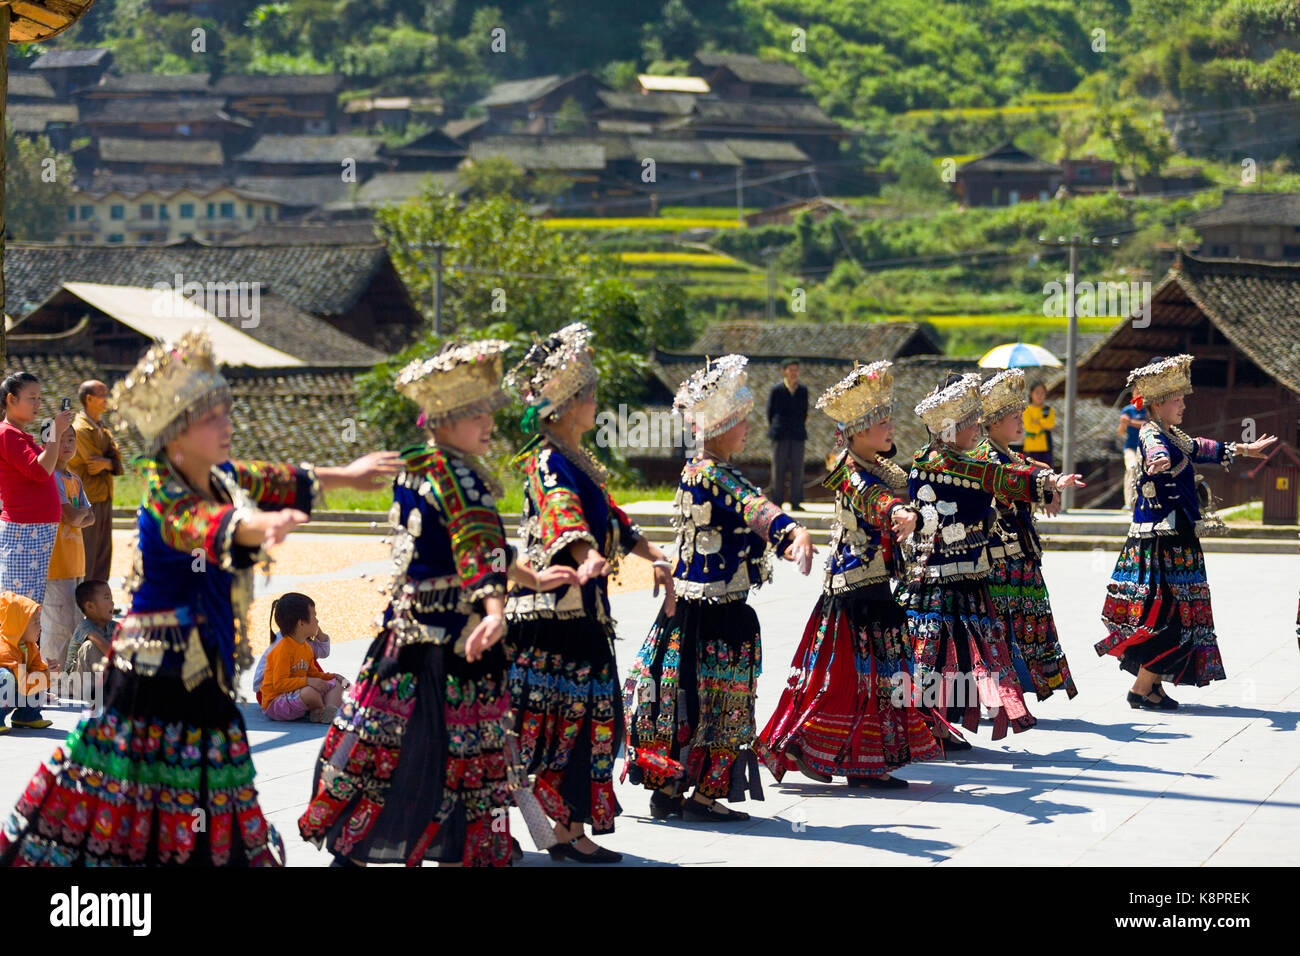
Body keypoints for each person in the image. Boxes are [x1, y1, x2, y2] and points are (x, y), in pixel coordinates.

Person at [0, 330, 398, 866]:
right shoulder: (167, 493)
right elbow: (212, 525)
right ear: (177, 435)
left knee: (207, 789)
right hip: (154, 675)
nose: (228, 426)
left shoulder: (223, 477)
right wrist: (257, 527)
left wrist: (345, 474)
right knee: (124, 787)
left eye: (226, 413)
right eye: (214, 418)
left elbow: (281, 478)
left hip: (202, 668)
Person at [300, 340, 579, 868]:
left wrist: (529, 577)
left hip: (410, 640)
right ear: (445, 418)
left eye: (487, 409)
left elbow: (477, 545)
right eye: (475, 412)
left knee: (387, 754)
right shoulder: (458, 477)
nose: (488, 420)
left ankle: (355, 855)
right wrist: (498, 609)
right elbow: (477, 551)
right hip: (450, 648)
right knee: (455, 766)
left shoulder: (419, 467)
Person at [504, 323, 676, 863]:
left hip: (581, 618)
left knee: (586, 723)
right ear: (567, 405)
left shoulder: (579, 461)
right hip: (551, 618)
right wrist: (585, 555)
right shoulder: (549, 462)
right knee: (544, 727)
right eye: (590, 395)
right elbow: (563, 513)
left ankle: (568, 827)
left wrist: (654, 555)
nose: (597, 402)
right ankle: (538, 826)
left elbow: (612, 518)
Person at [626, 355, 815, 822]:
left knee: (679, 695)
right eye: (742, 421)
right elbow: (753, 505)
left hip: (685, 611)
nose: (748, 428)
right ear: (724, 425)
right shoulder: (716, 474)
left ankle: (668, 787)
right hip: (720, 616)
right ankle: (705, 796)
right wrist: (794, 534)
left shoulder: (693, 470)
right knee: (722, 702)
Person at [755, 361, 941, 789]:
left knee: (871, 675)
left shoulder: (877, 466)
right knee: (848, 678)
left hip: (872, 583)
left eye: (888, 419)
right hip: (854, 587)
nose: (890, 427)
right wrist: (899, 512)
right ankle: (820, 749)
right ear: (857, 431)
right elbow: (875, 501)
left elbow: (899, 493)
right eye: (880, 421)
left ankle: (857, 758)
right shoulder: (851, 472)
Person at [902, 374, 1083, 744]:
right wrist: (1046, 483)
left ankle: (940, 724)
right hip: (938, 577)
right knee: (934, 655)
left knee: (963, 658)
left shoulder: (963, 460)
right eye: (969, 423)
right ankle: (925, 724)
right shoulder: (935, 462)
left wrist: (1048, 482)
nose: (976, 428)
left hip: (969, 571)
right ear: (950, 429)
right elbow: (995, 476)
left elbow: (1002, 475)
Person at [1096, 355, 1275, 709]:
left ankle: (1152, 686)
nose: (1183, 404)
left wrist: (1243, 448)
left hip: (1178, 537)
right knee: (1168, 612)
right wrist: (1156, 462)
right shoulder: (1152, 434)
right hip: (1161, 542)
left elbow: (1202, 447)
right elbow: (1154, 451)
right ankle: (1141, 689)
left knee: (1183, 610)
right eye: (1177, 400)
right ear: (1159, 404)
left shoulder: (1173, 435)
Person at [974, 369, 1078, 702]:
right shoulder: (985, 457)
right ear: (992, 424)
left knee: (1023, 622)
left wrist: (1048, 485)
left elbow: (1027, 469)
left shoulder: (1012, 455)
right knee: (1001, 624)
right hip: (997, 560)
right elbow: (1011, 479)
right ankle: (1000, 689)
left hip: (1021, 556)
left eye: (1021, 417)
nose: (1021, 424)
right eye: (1014, 418)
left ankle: (1013, 686)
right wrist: (1047, 484)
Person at [0, 372, 73, 604]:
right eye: (32, 398)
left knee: (31, 604)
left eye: (39, 398)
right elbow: (41, 471)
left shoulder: (19, 435)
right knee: (21, 606)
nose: (38, 404)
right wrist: (56, 433)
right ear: (11, 400)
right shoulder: (8, 434)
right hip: (24, 528)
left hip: (34, 528)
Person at [40, 427, 94, 668]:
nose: (67, 444)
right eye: (61, 439)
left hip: (75, 563)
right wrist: (79, 515)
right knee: (56, 627)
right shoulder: (49, 476)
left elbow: (91, 516)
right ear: (46, 444)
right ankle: (52, 679)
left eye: (71, 439)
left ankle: (68, 678)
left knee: (73, 623)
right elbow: (73, 517)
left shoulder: (74, 479)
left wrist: (78, 515)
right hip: (56, 565)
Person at [68, 380, 123, 583]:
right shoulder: (80, 430)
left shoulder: (102, 429)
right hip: (88, 497)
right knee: (88, 550)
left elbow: (117, 461)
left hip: (105, 494)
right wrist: (111, 462)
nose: (107, 398)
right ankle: (86, 597)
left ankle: (100, 595)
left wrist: (108, 463)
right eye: (102, 394)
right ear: (89, 399)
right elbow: (93, 463)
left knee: (103, 549)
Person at [259, 593, 345, 723]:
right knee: (310, 692)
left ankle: (329, 711)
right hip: (275, 701)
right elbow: (279, 684)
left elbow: (313, 673)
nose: (317, 621)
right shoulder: (282, 649)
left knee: (335, 684)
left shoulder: (305, 647)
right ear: (301, 623)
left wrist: (332, 676)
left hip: (297, 692)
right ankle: (319, 712)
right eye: (314, 616)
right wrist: (308, 681)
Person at [0, 591, 58, 732]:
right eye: (35, 622)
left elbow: (36, 673)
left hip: (18, 689)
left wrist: (48, 672)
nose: (40, 627)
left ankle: (26, 716)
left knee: (37, 673)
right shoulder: (5, 649)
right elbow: (23, 683)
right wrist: (45, 676)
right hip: (12, 688)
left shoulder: (30, 646)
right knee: (5, 676)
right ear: (18, 626)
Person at [766, 358, 809, 510]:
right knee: (779, 468)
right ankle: (777, 501)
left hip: (798, 433)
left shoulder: (803, 390)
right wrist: (777, 426)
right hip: (780, 433)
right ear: (784, 371)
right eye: (790, 370)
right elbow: (770, 412)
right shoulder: (776, 390)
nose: (793, 373)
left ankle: (796, 502)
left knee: (797, 469)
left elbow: (805, 412)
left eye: (796, 370)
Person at [64, 580, 114, 677]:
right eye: (107, 598)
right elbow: (107, 650)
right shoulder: (85, 626)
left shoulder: (113, 626)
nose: (112, 603)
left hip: (99, 677)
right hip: (75, 682)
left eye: (111, 598)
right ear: (90, 606)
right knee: (90, 647)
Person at [1117, 397, 1149, 511]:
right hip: (1131, 447)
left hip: (1146, 448)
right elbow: (1120, 432)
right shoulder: (1127, 410)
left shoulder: (1148, 409)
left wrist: (1130, 422)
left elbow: (1147, 424)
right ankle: (1129, 502)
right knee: (1131, 468)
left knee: (1145, 473)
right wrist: (1123, 423)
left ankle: (1142, 501)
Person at [1020, 381, 1055, 467]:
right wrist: (1043, 425)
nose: (1040, 395)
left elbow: (1050, 424)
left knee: (1047, 469)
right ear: (1031, 394)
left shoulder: (1048, 410)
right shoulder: (1027, 410)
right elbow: (1028, 427)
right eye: (1037, 392)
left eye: (1042, 393)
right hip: (1031, 447)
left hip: (1045, 447)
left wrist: (1037, 422)